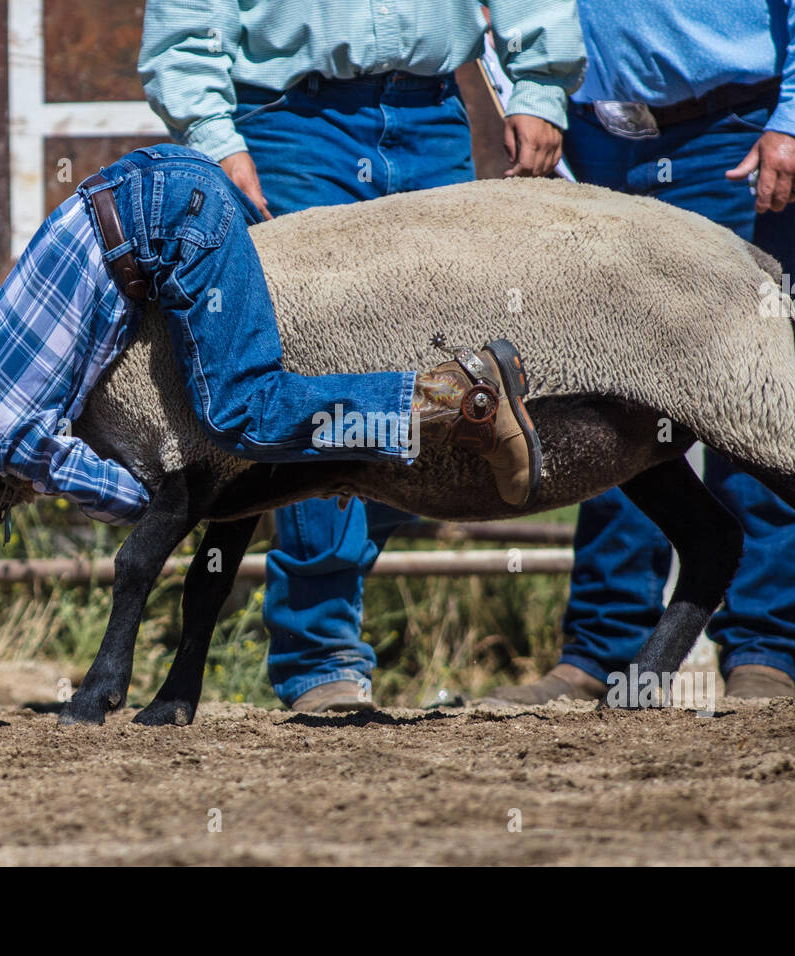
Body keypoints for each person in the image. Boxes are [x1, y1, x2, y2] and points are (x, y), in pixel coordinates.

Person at [140, 1, 587, 712]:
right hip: (293, 121)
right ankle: (321, 651)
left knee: (441, 377)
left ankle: (332, 596)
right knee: (320, 371)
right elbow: (186, 17)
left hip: (434, 111)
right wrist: (213, 135)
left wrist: (539, 88)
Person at [0, 146, 541, 558]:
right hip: (152, 193)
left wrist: (62, 485)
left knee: (243, 414)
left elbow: (139, 501)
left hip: (167, 219)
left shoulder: (0, 433)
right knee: (247, 412)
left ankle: (455, 398)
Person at [486, 0, 795, 705]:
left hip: (730, 135)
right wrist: (528, 94)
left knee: (745, 396)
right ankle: (605, 650)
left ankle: (762, 647)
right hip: (586, 139)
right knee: (607, 401)